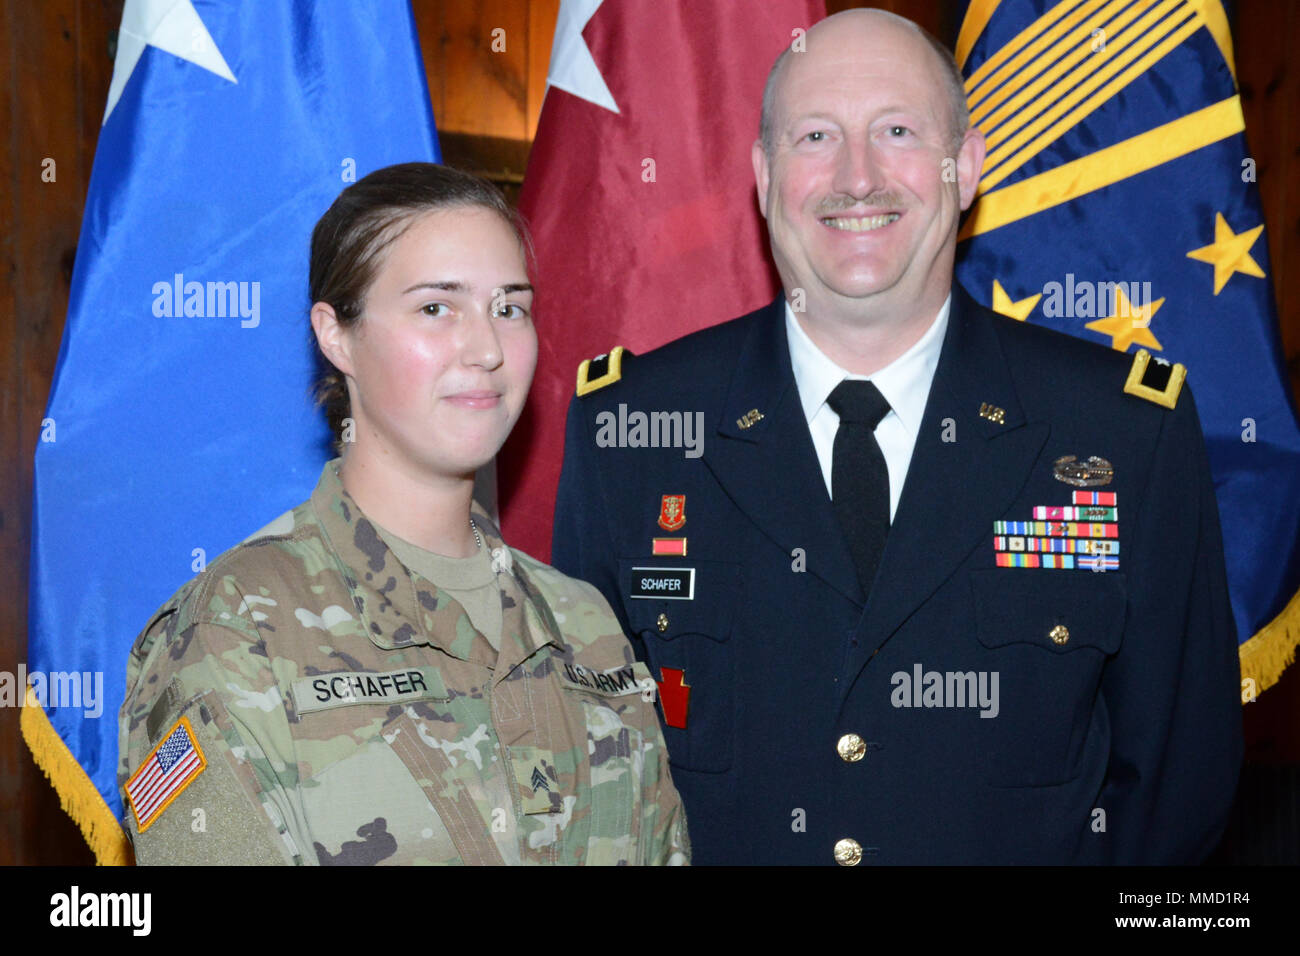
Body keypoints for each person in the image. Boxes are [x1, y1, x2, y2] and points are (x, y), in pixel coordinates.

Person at [552, 9, 1242, 865]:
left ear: (968, 166)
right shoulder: (634, 432)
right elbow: (589, 774)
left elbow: (1175, 790)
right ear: (765, 178)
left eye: (899, 131)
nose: (858, 177)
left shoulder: (1124, 435)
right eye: (815, 136)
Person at [118, 163, 689, 866]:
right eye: (435, 308)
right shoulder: (235, 630)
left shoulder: (586, 624)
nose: (487, 350)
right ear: (336, 335)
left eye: (509, 307)